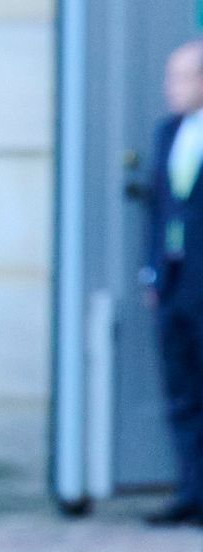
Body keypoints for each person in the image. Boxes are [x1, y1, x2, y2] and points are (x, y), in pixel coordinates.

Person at [144, 39, 203, 526]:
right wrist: (152, 273)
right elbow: (156, 210)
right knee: (181, 391)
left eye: (181, 77)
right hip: (175, 284)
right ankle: (190, 490)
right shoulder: (168, 133)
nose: (171, 88)